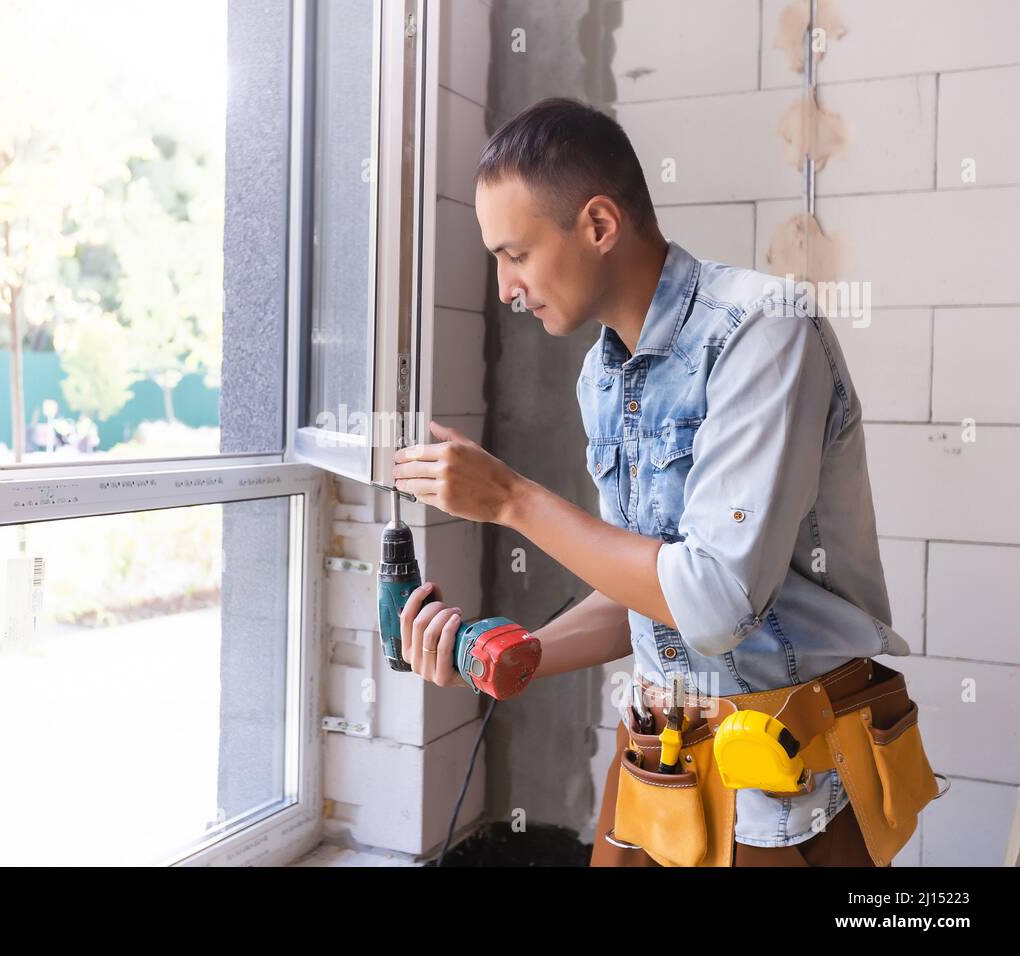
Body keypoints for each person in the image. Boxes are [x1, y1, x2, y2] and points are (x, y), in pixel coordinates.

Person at [392, 96, 915, 867]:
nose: (505, 286)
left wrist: (510, 499)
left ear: (599, 226)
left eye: (515, 254)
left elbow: (712, 605)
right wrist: (517, 654)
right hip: (662, 757)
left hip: (787, 783)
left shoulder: (764, 332)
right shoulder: (602, 378)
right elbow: (654, 590)